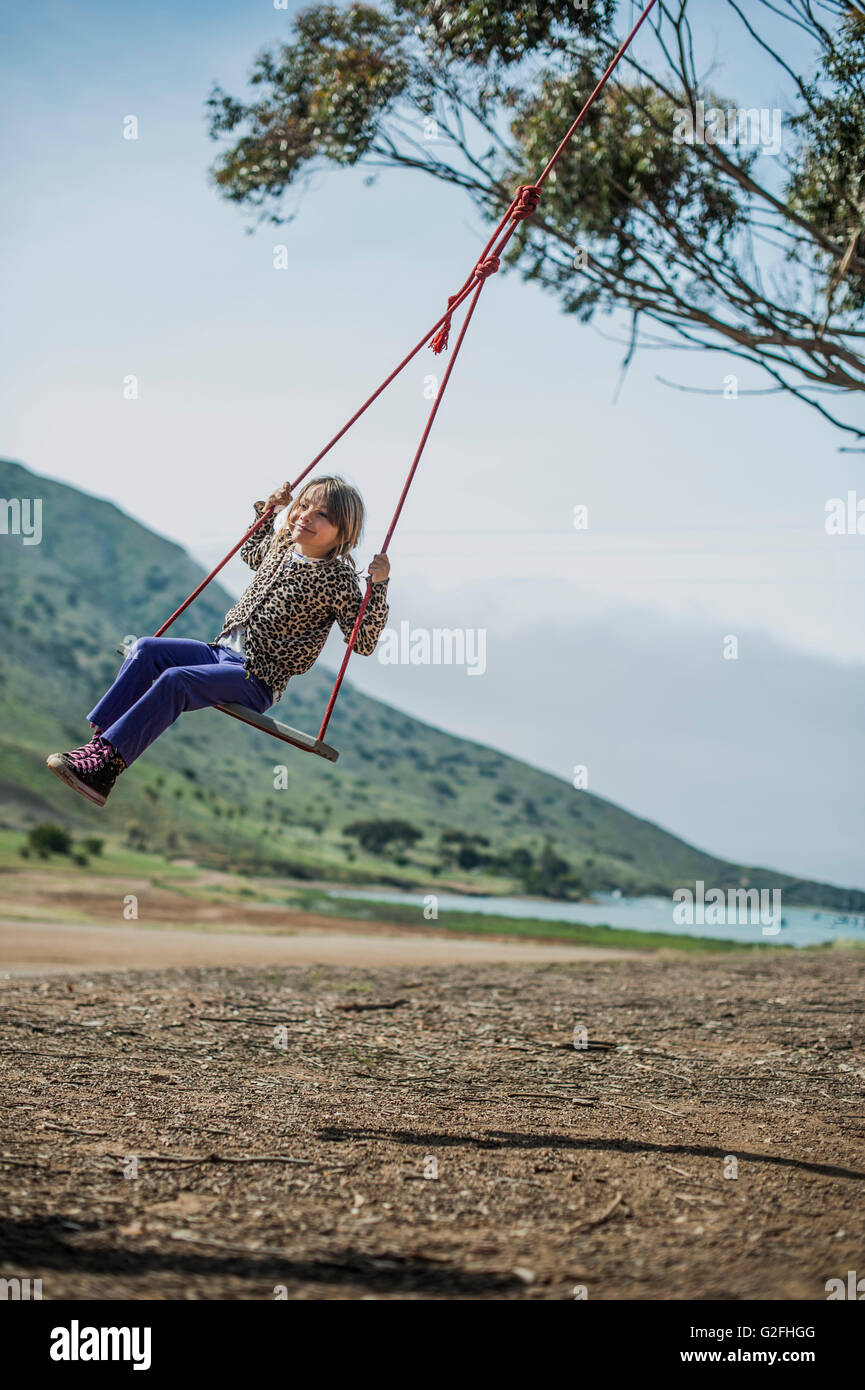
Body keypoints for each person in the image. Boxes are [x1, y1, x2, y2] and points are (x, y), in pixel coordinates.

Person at [45, 475, 391, 806]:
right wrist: (267, 512)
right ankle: (97, 750)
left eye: (322, 515)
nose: (305, 517)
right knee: (145, 650)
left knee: (176, 680)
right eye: (303, 506)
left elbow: (361, 641)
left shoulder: (339, 578)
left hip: (257, 677)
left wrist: (378, 588)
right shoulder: (284, 546)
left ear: (343, 532)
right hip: (219, 652)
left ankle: (107, 767)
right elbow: (252, 553)